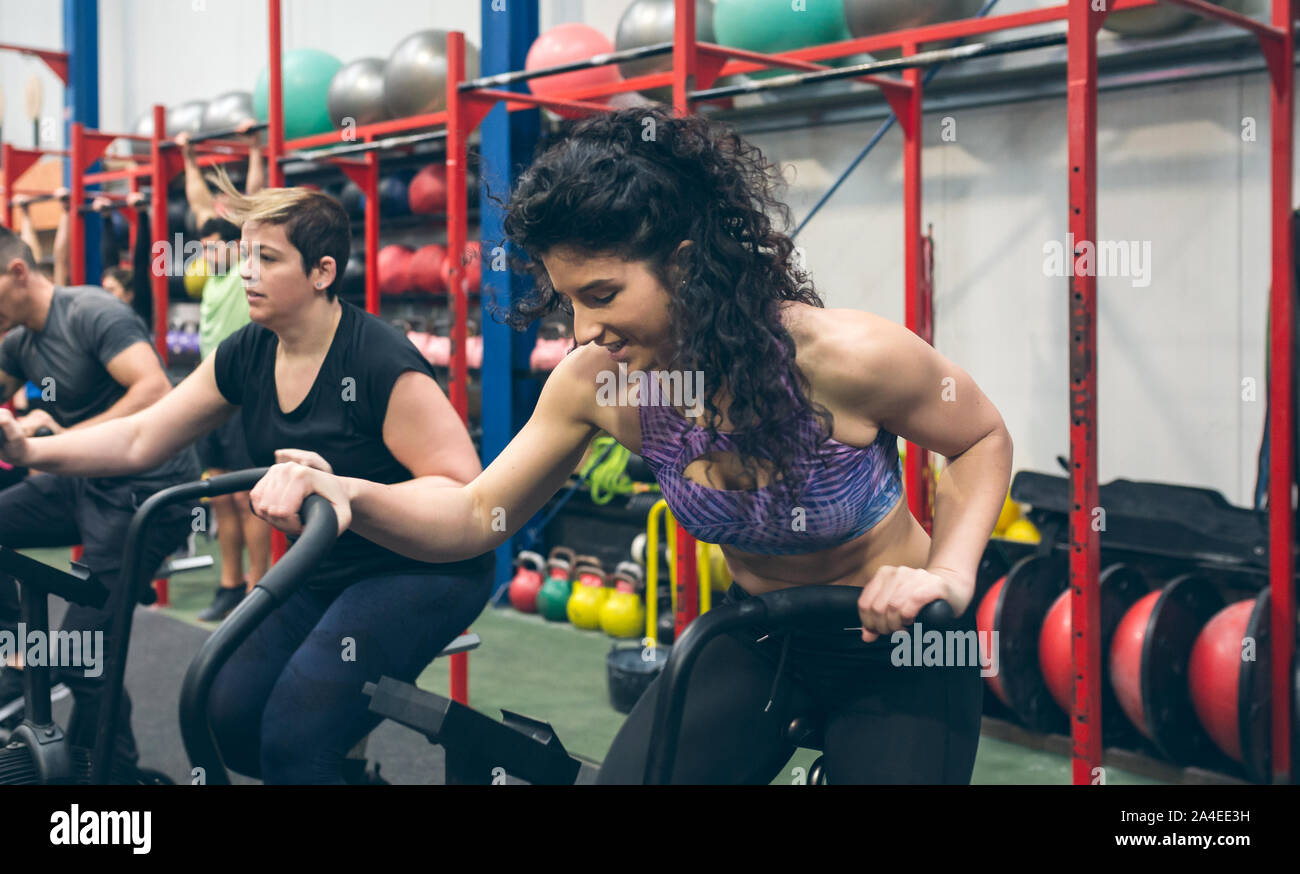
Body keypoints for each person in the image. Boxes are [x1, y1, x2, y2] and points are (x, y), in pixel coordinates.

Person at [245, 107, 1015, 784]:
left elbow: (980, 436)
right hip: (755, 633)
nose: (583, 331)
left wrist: (948, 575)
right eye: (570, 300)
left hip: (901, 643)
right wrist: (350, 496)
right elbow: (477, 514)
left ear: (684, 265)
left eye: (603, 296)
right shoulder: (601, 384)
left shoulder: (842, 360)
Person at [0, 175, 495, 784]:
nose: (246, 273)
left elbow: (461, 493)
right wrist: (28, 448)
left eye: (267, 258)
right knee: (223, 718)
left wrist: (350, 493)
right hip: (325, 570)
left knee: (294, 738)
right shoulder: (249, 352)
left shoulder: (377, 360)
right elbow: (140, 436)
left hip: (419, 570)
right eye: (245, 255)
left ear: (322, 272)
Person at [0, 225, 200, 772]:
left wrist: (62, 439)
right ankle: (13, 652)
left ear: (18, 273)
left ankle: (115, 775)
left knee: (83, 652)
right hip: (84, 483)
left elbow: (153, 391)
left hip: (147, 494)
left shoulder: (91, 312)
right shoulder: (22, 342)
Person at [176, 122, 272, 621]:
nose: (208, 251)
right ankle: (230, 584)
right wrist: (188, 158)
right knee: (220, 498)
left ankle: (260, 590)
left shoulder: (242, 269)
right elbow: (197, 206)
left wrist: (255, 149)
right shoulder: (211, 277)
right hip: (209, 398)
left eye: (216, 244)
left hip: (243, 398)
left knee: (249, 498)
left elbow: (251, 201)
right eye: (204, 246)